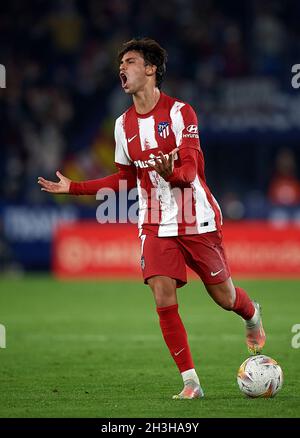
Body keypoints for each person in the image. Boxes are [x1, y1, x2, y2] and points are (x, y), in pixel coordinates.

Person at [38, 38, 266, 400]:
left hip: (196, 217)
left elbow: (189, 170)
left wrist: (172, 173)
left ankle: (251, 314)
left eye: (129, 61)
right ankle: (191, 381)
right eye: (120, 64)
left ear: (150, 69)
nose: (122, 69)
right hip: (154, 221)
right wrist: (75, 187)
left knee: (224, 297)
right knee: (162, 294)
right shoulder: (122, 125)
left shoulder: (180, 113)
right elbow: (126, 178)